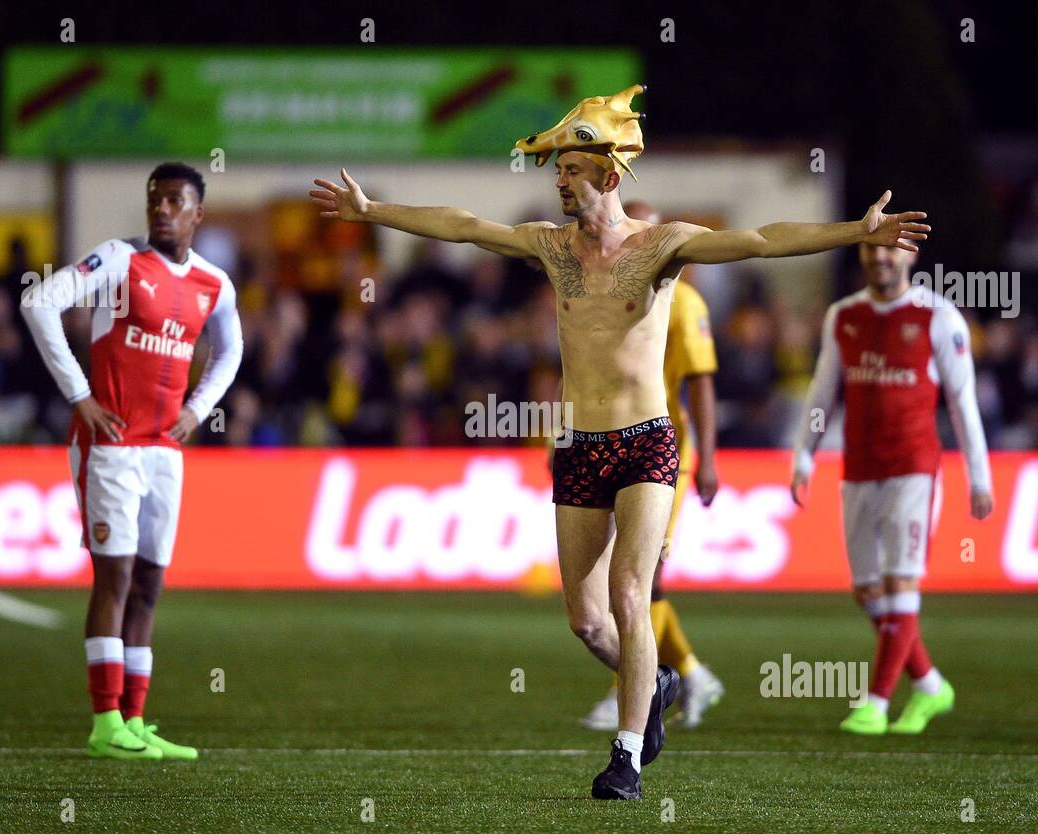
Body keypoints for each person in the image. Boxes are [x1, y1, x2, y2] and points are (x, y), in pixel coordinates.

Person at [310, 85, 929, 798]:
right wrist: (372, 213)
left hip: (647, 443)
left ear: (608, 175)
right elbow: (462, 225)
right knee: (585, 619)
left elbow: (761, 242)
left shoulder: (662, 247)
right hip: (578, 447)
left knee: (632, 596)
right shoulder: (550, 248)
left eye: (570, 172)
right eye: (558, 173)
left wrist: (857, 231)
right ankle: (657, 679)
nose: (558, 182)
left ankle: (626, 759)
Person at [21, 162, 244, 760]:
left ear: (198, 213)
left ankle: (137, 720)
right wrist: (80, 396)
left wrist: (198, 409)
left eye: (176, 200)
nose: (163, 209)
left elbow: (232, 348)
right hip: (112, 446)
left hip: (164, 450)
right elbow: (40, 302)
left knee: (149, 582)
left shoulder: (213, 284)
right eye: (155, 199)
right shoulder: (119, 261)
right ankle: (104, 721)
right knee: (114, 576)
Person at [790, 242, 991, 735]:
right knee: (867, 591)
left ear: (911, 257)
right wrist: (802, 455)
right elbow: (823, 390)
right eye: (873, 249)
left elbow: (963, 402)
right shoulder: (844, 316)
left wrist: (979, 476)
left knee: (902, 581)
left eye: (892, 251)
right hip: (858, 468)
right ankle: (929, 684)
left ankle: (875, 704)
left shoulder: (938, 318)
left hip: (914, 468)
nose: (881, 259)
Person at [580, 200, 724, 732]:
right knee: (627, 586)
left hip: (662, 454)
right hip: (601, 446)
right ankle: (682, 671)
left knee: (643, 579)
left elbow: (701, 379)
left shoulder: (683, 302)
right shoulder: (595, 285)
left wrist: (707, 456)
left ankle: (635, 689)